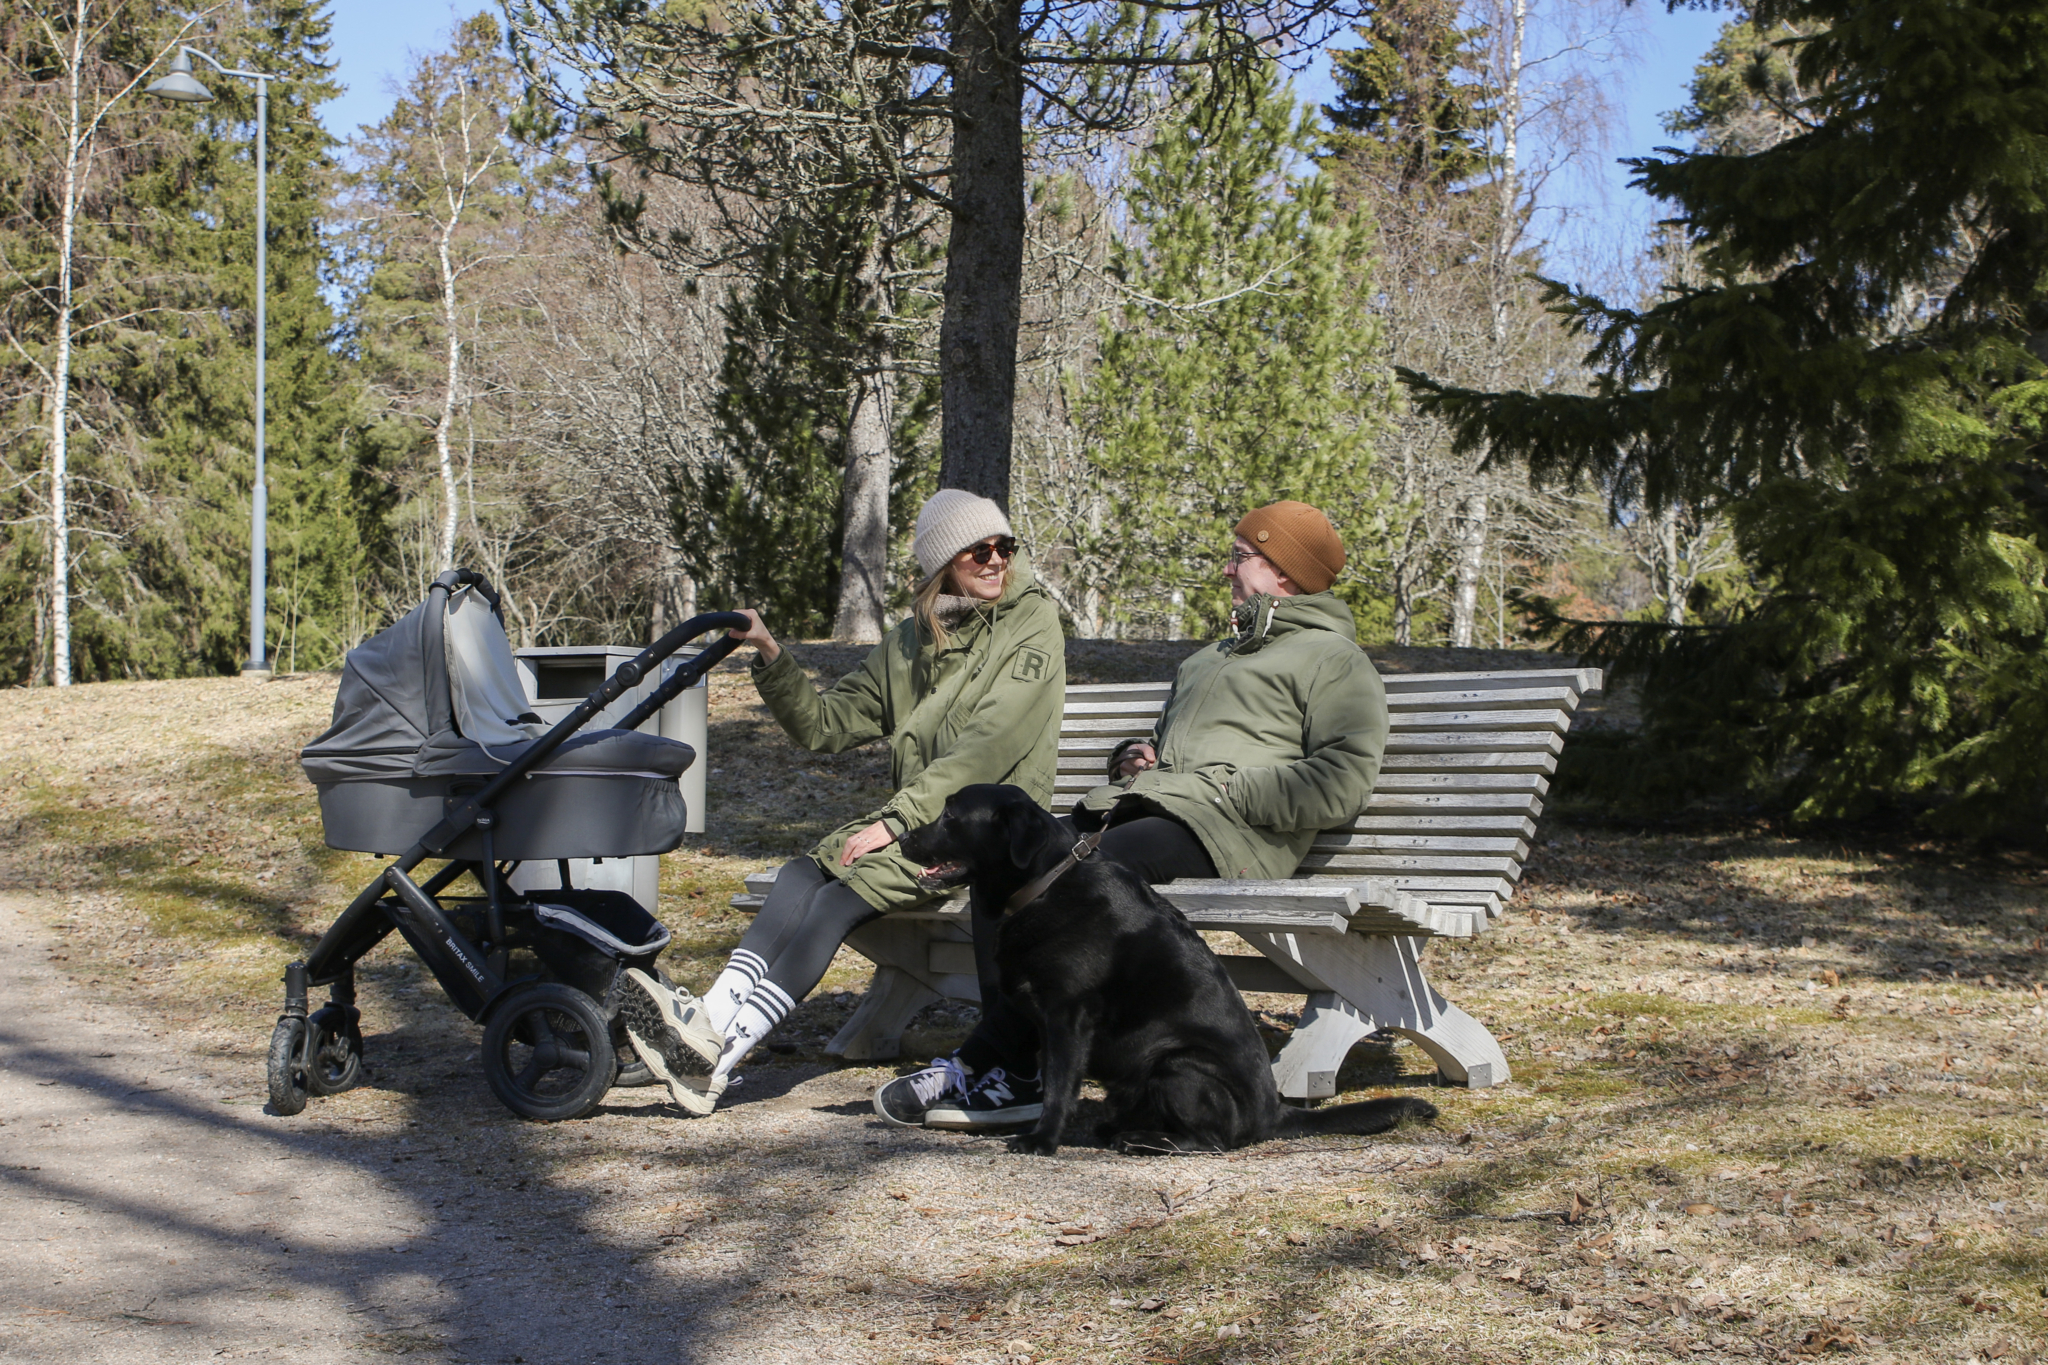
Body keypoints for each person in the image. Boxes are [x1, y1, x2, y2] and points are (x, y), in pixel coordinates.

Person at [875, 499, 1390, 1133]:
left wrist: (1223, 789)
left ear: (1285, 572)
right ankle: (1017, 1071)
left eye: (1241, 557)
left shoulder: (1334, 660)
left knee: (1087, 878)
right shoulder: (1209, 659)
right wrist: (1139, 759)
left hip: (1234, 834)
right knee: (1006, 864)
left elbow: (1342, 782)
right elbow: (1176, 754)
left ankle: (993, 1062)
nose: (1227, 570)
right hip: (1162, 810)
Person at [620, 490, 1067, 1116]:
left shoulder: (1032, 622)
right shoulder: (911, 640)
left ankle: (716, 1062)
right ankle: (706, 1024)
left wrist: (896, 821)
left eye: (1005, 547)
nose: (996, 560)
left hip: (985, 836)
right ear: (943, 563)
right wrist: (770, 652)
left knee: (835, 899)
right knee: (802, 875)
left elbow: (988, 748)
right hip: (924, 821)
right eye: (979, 551)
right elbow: (826, 724)